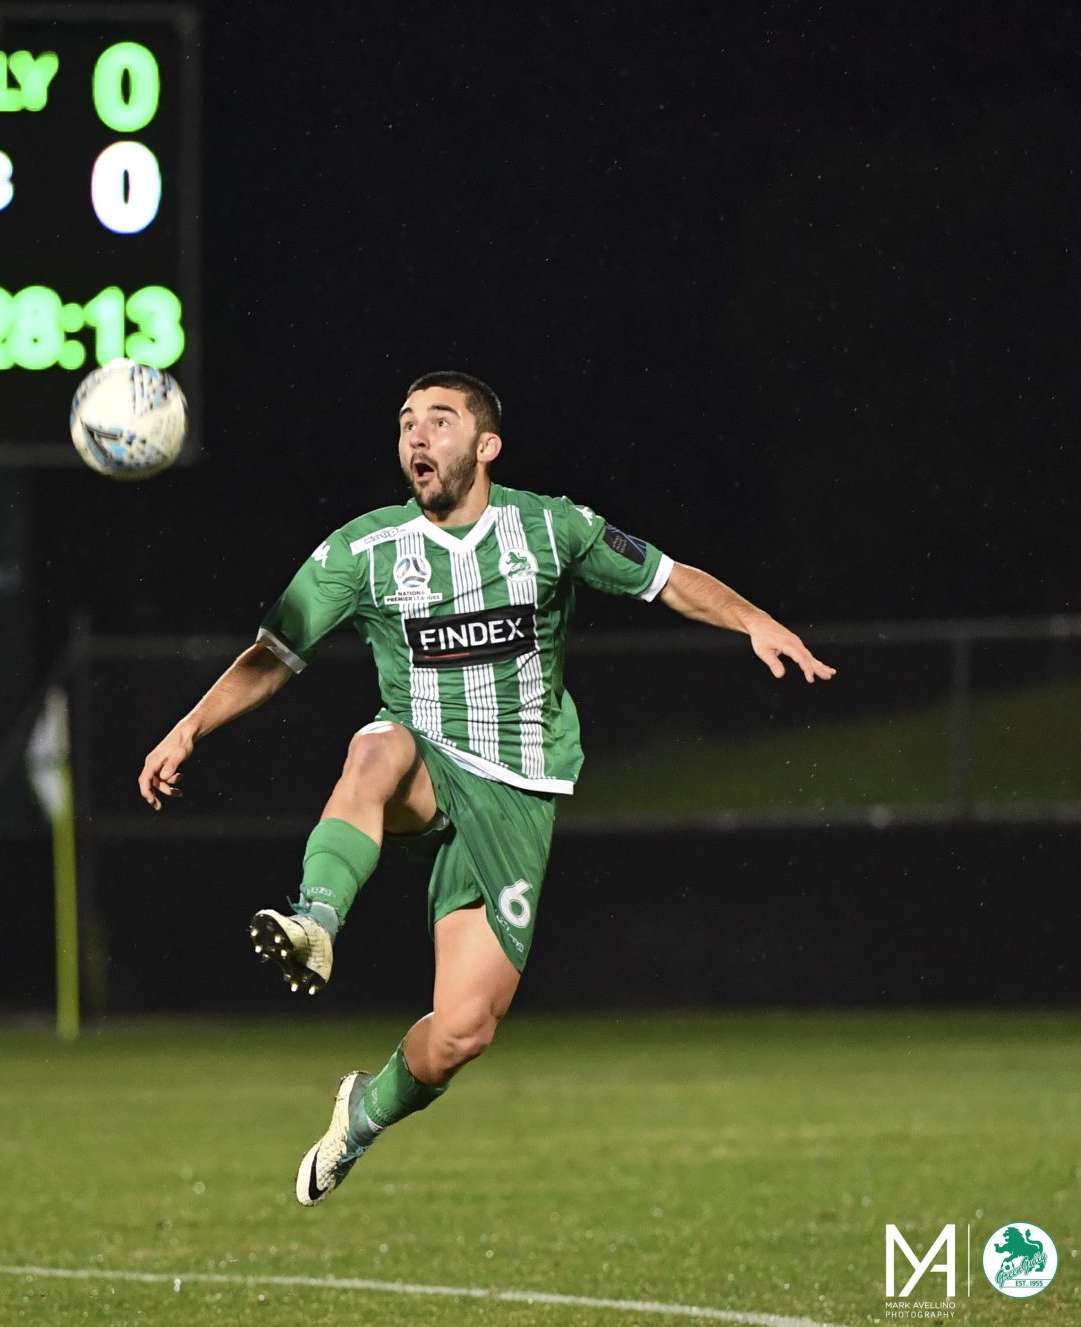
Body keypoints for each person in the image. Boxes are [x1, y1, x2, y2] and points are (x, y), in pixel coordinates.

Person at [136, 372, 836, 1206]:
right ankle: (316, 919)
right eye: (404, 424)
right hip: (423, 758)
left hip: (516, 791)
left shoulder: (552, 527)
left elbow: (667, 576)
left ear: (486, 444)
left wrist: (755, 619)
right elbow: (274, 652)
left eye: (439, 421)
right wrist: (188, 726)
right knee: (374, 753)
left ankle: (360, 1115)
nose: (417, 438)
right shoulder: (362, 550)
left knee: (461, 1032)